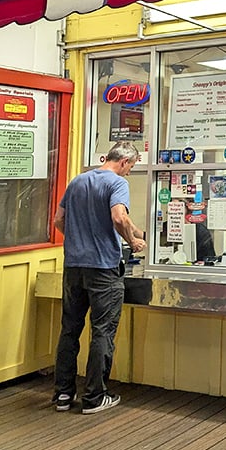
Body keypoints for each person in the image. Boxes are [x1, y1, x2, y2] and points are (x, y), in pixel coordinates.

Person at [51, 141, 145, 414]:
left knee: (70, 330)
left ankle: (63, 396)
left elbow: (59, 219)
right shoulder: (117, 183)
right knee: (102, 330)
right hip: (103, 269)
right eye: (132, 167)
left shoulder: (78, 181)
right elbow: (118, 218)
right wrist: (133, 242)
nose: (129, 173)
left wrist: (80, 241)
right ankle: (94, 397)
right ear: (125, 162)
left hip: (74, 267)